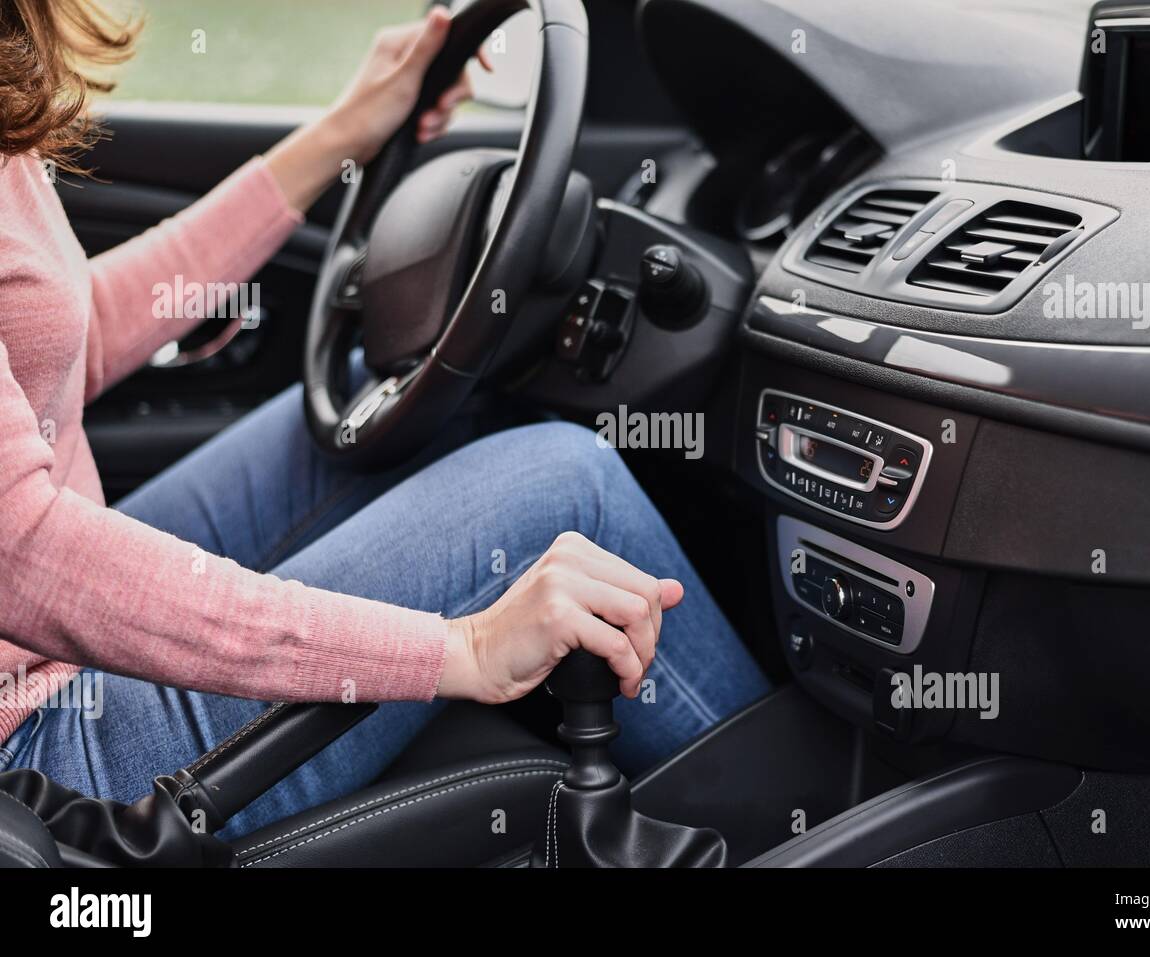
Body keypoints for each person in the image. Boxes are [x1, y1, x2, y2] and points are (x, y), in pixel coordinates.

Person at [0, 2, 769, 839]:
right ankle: (790, 832)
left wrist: (346, 132)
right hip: (38, 750)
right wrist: (459, 649)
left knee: (425, 391)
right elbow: (24, 557)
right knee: (566, 481)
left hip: (43, 623)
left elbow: (80, 328)